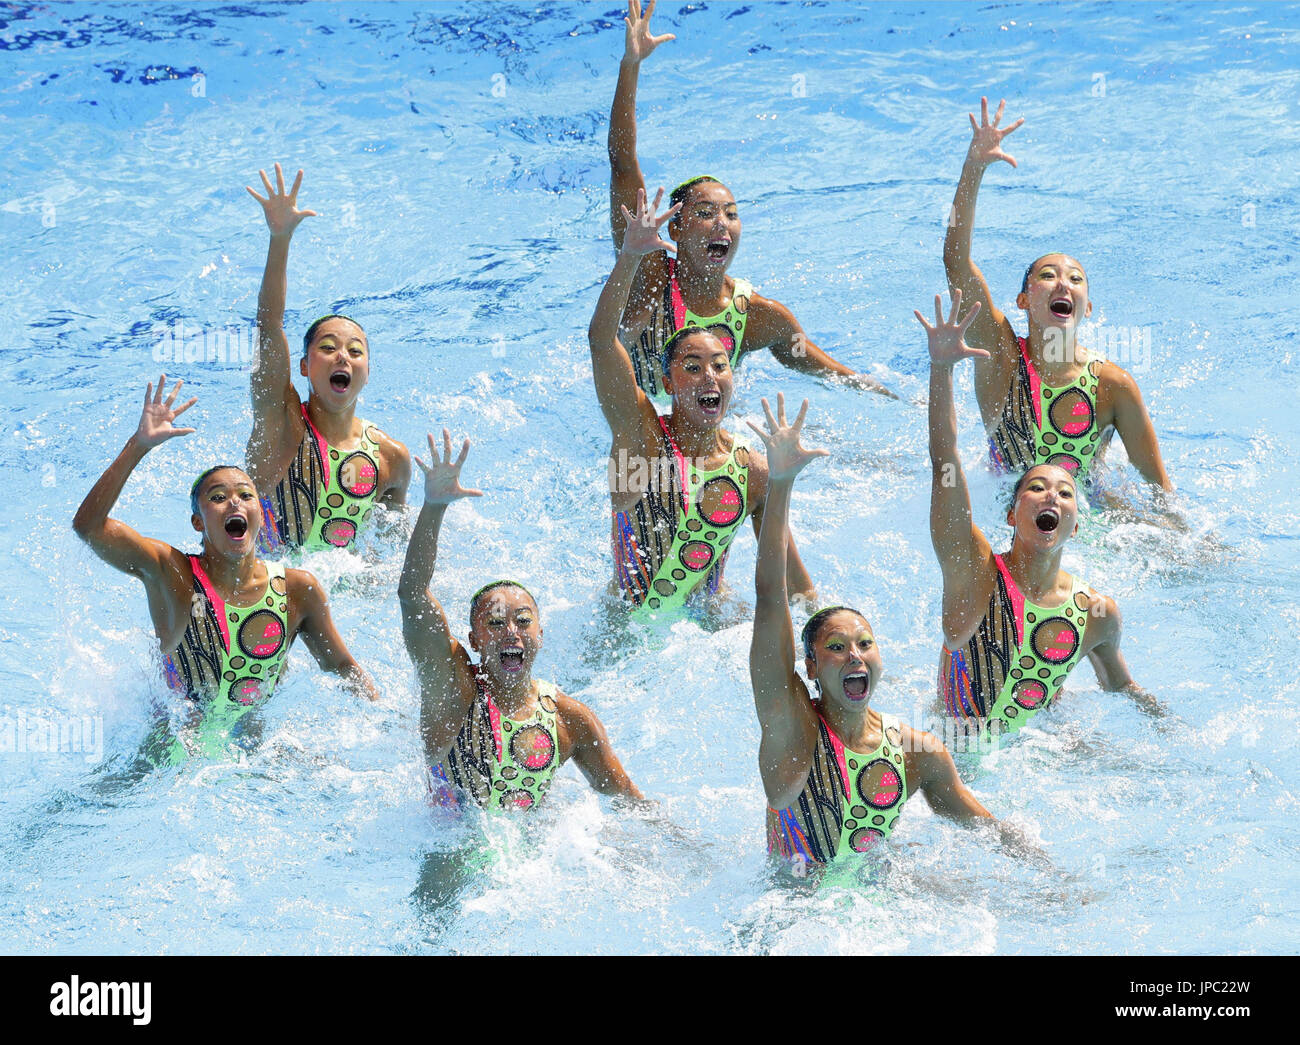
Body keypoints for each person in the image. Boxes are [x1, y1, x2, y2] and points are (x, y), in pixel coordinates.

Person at [748, 394, 1002, 869]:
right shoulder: (792, 732)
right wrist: (779, 484)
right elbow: (770, 599)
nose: (855, 656)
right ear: (811, 666)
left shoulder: (917, 753)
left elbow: (988, 830)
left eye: (865, 644)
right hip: (790, 913)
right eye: (837, 648)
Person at [72, 377, 379, 762]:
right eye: (218, 498)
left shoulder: (298, 590)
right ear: (198, 523)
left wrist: (385, 721)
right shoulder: (174, 575)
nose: (234, 502)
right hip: (174, 747)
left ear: (260, 518)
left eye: (245, 495)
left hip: (255, 746)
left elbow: (342, 667)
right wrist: (139, 446)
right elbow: (88, 528)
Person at [606, 0, 893, 403]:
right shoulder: (650, 278)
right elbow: (621, 160)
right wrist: (631, 64)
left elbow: (830, 372)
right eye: (704, 213)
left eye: (731, 214)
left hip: (702, 425)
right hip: (636, 420)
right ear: (675, 227)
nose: (721, 223)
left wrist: (891, 397)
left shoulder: (757, 316)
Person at [921, 292, 1163, 741]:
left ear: (1077, 523)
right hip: (953, 749)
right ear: (1011, 515)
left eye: (1065, 492)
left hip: (1036, 755)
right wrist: (941, 369)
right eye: (1035, 487)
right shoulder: (974, 573)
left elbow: (1120, 687)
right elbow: (944, 465)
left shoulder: (1097, 614)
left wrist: (1170, 726)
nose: (1050, 494)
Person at [591, 187, 815, 619]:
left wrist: (828, 632)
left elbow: (796, 585)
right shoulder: (641, 438)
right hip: (626, 632)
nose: (709, 376)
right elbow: (601, 343)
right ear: (667, 382)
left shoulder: (752, 470)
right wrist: (630, 257)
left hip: (705, 632)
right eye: (692, 367)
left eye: (719, 366)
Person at [398, 430, 644, 810]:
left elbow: (630, 801)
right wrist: (434, 507)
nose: (511, 631)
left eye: (523, 621)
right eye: (495, 622)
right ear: (474, 639)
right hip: (447, 848)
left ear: (541, 635)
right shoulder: (455, 692)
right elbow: (412, 594)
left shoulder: (569, 720)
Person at [943, 98, 1173, 491]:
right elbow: (956, 264)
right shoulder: (1001, 358)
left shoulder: (1114, 386)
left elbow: (1160, 491)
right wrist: (974, 168)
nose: (1063, 283)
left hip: (1084, 511)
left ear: (1088, 307)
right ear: (1024, 300)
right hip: (1009, 510)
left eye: (1076, 279)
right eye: (1048, 275)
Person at [244, 163, 411, 553]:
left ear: (367, 371)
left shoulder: (391, 458)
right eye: (328, 347)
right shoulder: (279, 421)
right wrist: (280, 238)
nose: (343, 357)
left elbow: (385, 563)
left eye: (355, 351)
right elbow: (269, 325)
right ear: (304, 366)